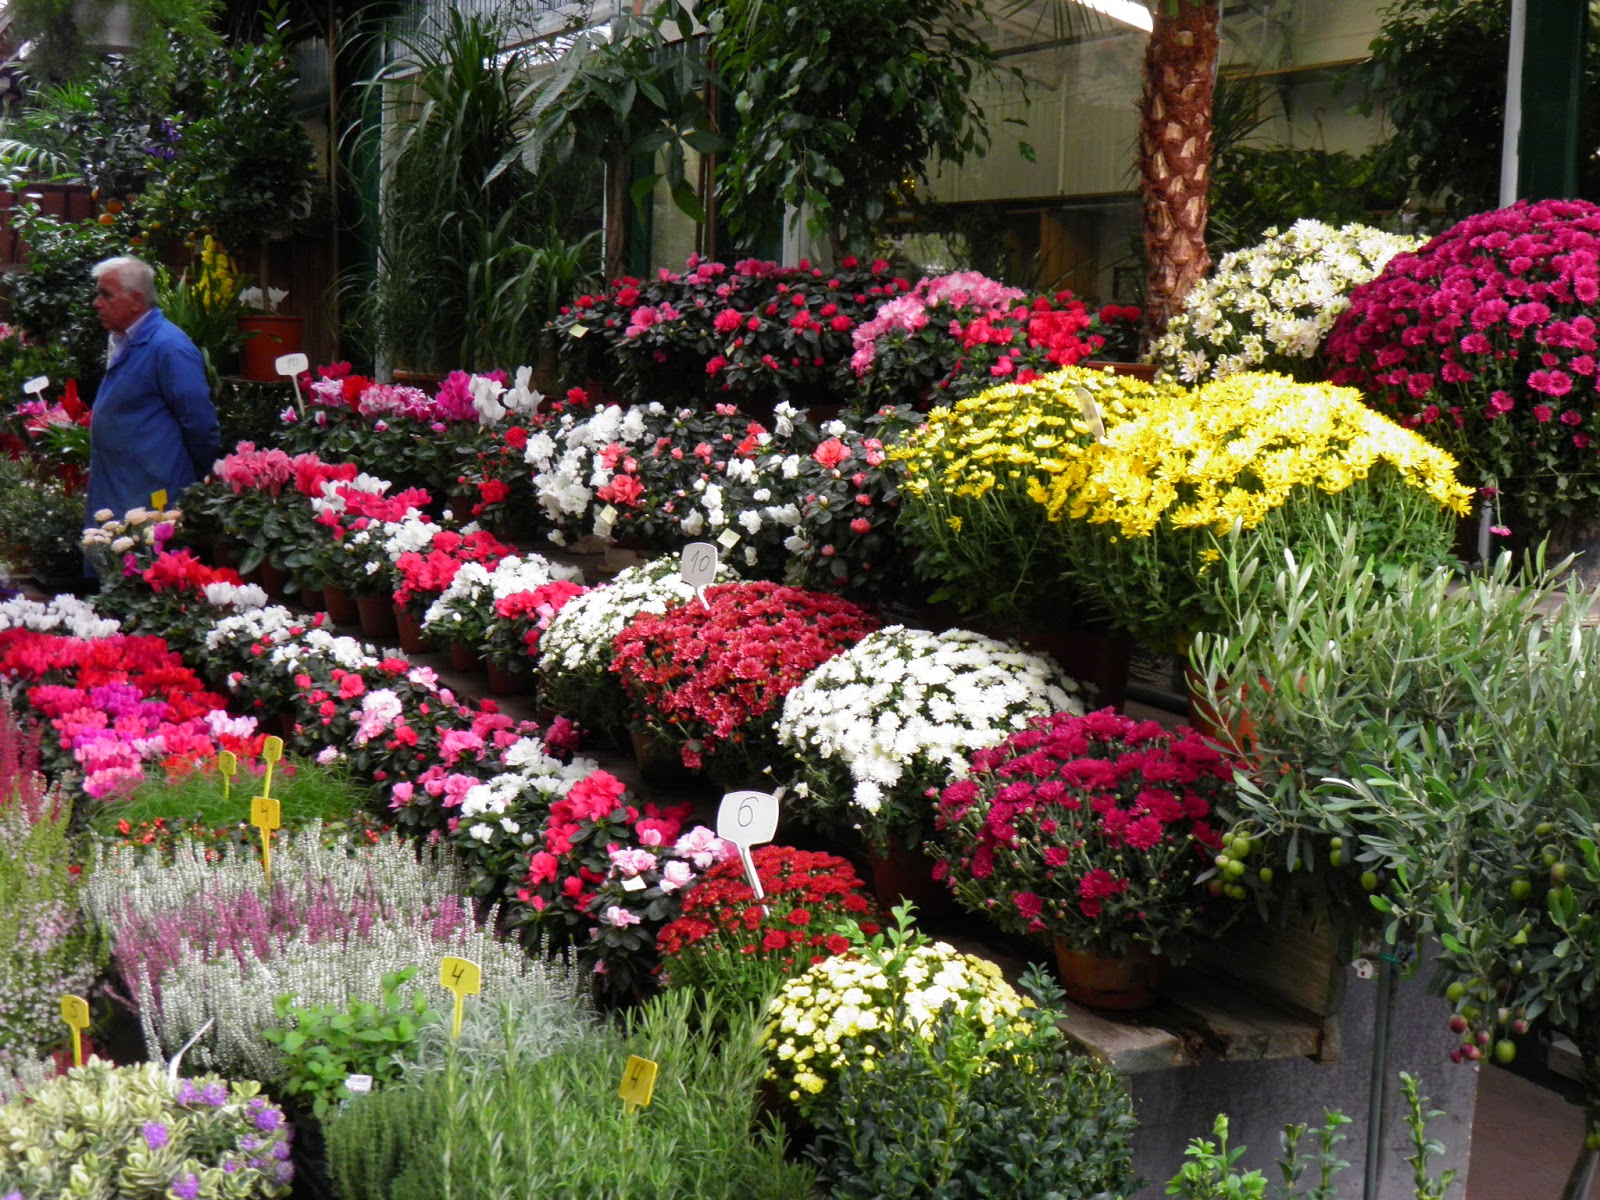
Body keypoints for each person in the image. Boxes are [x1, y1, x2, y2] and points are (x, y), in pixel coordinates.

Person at [84, 255, 220, 533]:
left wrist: (197, 477)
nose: (96, 303)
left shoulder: (169, 348)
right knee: (116, 569)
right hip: (120, 486)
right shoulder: (123, 340)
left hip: (154, 492)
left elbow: (200, 423)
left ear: (136, 300)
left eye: (106, 295)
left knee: (149, 571)